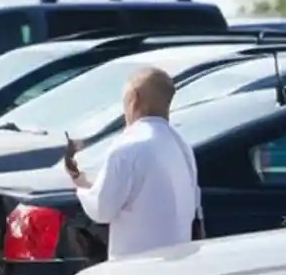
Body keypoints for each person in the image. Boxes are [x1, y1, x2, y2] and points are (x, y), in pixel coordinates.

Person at [65, 66, 202, 260]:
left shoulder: (127, 147)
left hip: (134, 270)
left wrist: (80, 187)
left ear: (133, 99)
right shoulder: (181, 145)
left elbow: (101, 209)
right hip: (176, 266)